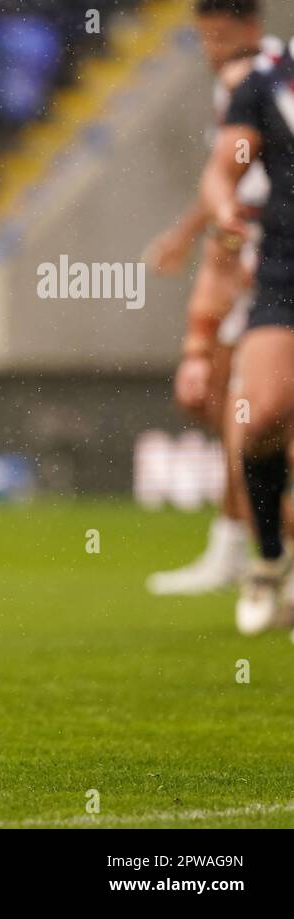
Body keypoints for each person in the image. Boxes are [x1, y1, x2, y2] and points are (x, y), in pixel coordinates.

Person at [144, 0, 282, 597]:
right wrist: (189, 232)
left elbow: (237, 177)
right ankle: (245, 541)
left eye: (220, 36)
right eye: (204, 38)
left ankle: (250, 543)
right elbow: (227, 176)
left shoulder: (254, 81)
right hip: (255, 257)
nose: (211, 49)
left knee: (244, 407)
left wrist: (190, 235)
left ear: (251, 27)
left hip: (260, 257)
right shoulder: (250, 84)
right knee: (235, 407)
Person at [201, 30, 294, 635]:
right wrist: (224, 204)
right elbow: (223, 168)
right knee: (259, 418)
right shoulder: (267, 82)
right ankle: (268, 560)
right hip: (285, 271)